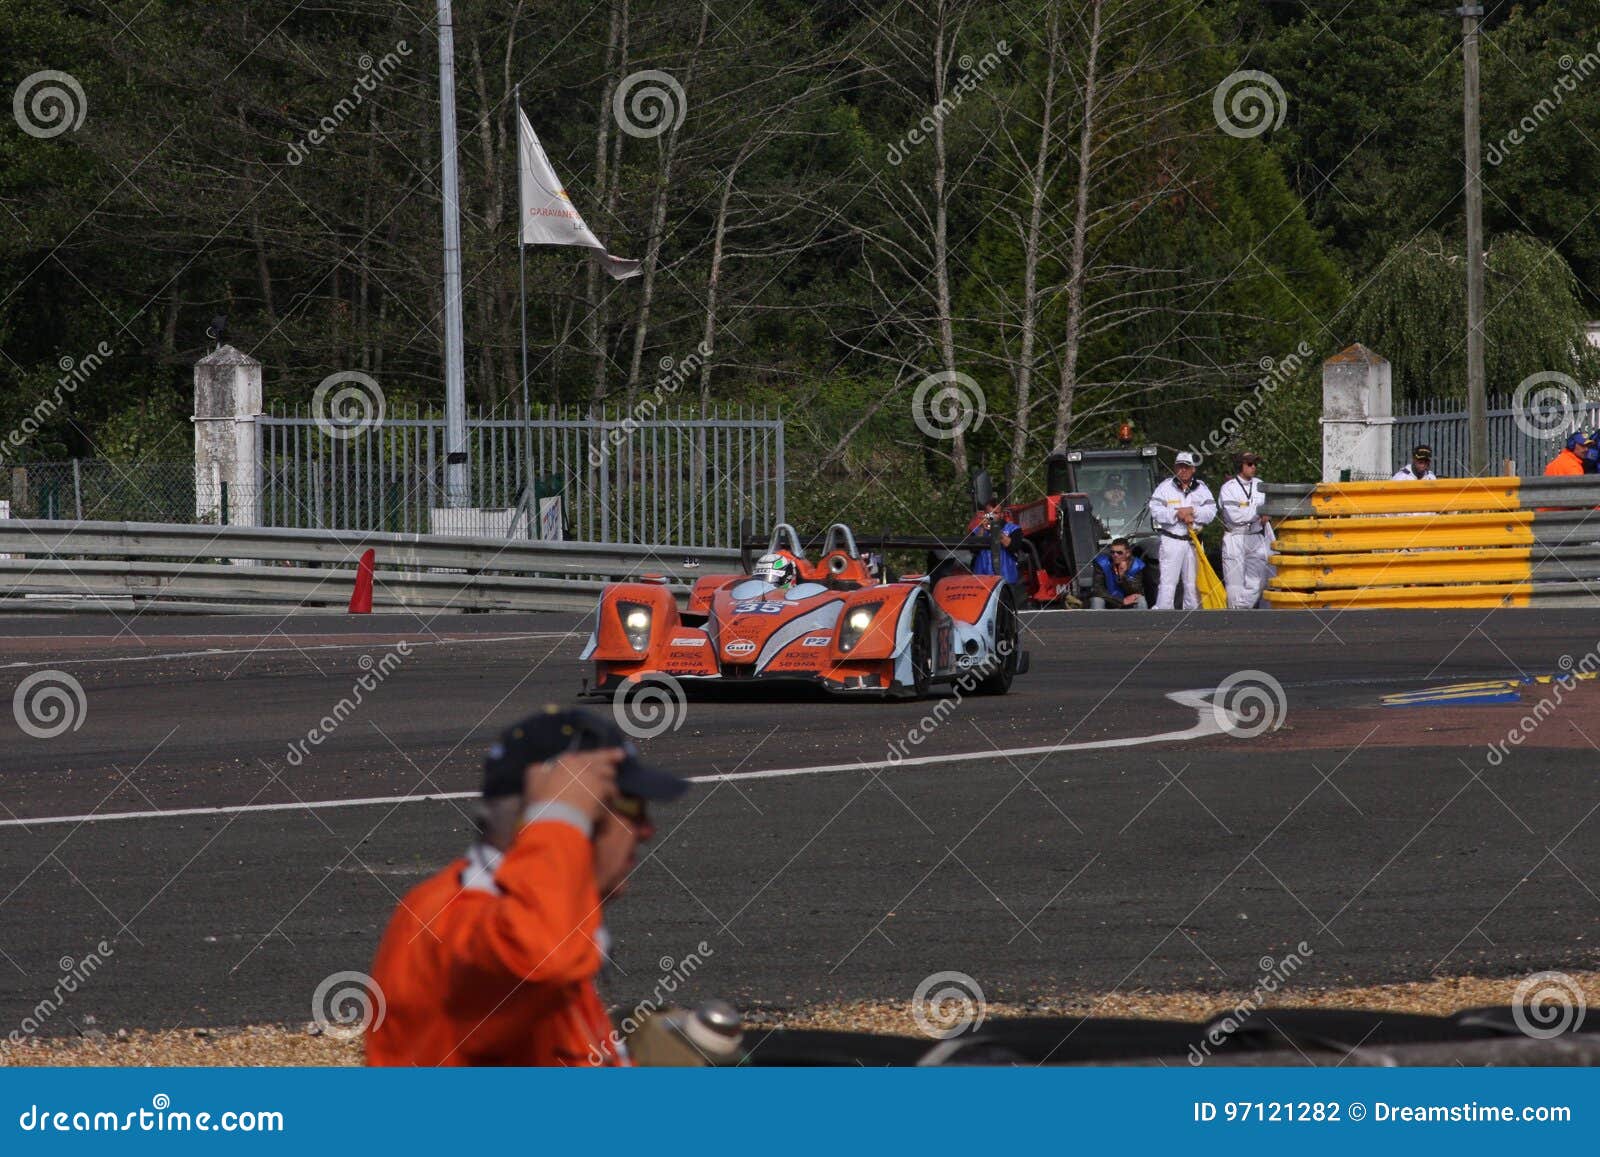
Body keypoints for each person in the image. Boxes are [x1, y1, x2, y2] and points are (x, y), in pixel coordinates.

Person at [366, 707, 688, 1067]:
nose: (646, 829)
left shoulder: (539, 918)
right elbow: (541, 958)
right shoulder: (451, 921)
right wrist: (559, 818)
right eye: (630, 805)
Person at [1148, 451, 1216, 610]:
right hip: (1172, 540)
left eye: (1187, 467)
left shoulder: (1202, 488)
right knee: (1168, 582)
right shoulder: (1165, 487)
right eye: (1180, 467)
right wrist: (1176, 514)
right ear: (1175, 468)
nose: (1183, 470)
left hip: (1194, 542)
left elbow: (1211, 512)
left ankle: (1192, 616)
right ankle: (1164, 614)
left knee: (1192, 584)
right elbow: (1155, 510)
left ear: (1193, 469)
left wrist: (1193, 511)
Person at [1217, 451, 1270, 609]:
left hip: (1255, 536)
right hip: (1235, 536)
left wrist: (1266, 514)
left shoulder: (1261, 485)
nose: (1254, 467)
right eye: (1250, 464)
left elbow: (1269, 508)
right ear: (1240, 465)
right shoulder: (1228, 488)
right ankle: (1235, 615)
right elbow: (1235, 516)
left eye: (1255, 464)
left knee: (1259, 581)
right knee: (1234, 585)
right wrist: (1259, 512)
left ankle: (1240, 609)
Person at [966, 496, 1021, 585]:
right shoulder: (977, 530)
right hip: (981, 580)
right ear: (985, 514)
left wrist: (995, 530)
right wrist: (981, 529)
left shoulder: (1014, 529)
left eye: (995, 513)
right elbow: (973, 549)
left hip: (1006, 581)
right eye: (989, 513)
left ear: (1001, 514)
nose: (991, 516)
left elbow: (1014, 547)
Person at [1090, 537, 1147, 609]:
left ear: (1128, 553)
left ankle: (1142, 617)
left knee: (1141, 600)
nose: (1115, 555)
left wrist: (1123, 576)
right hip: (1109, 600)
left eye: (1119, 553)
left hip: (1128, 600)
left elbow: (1136, 590)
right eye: (1112, 552)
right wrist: (1121, 601)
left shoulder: (1136, 565)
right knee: (1097, 600)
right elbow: (1097, 590)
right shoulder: (1102, 563)